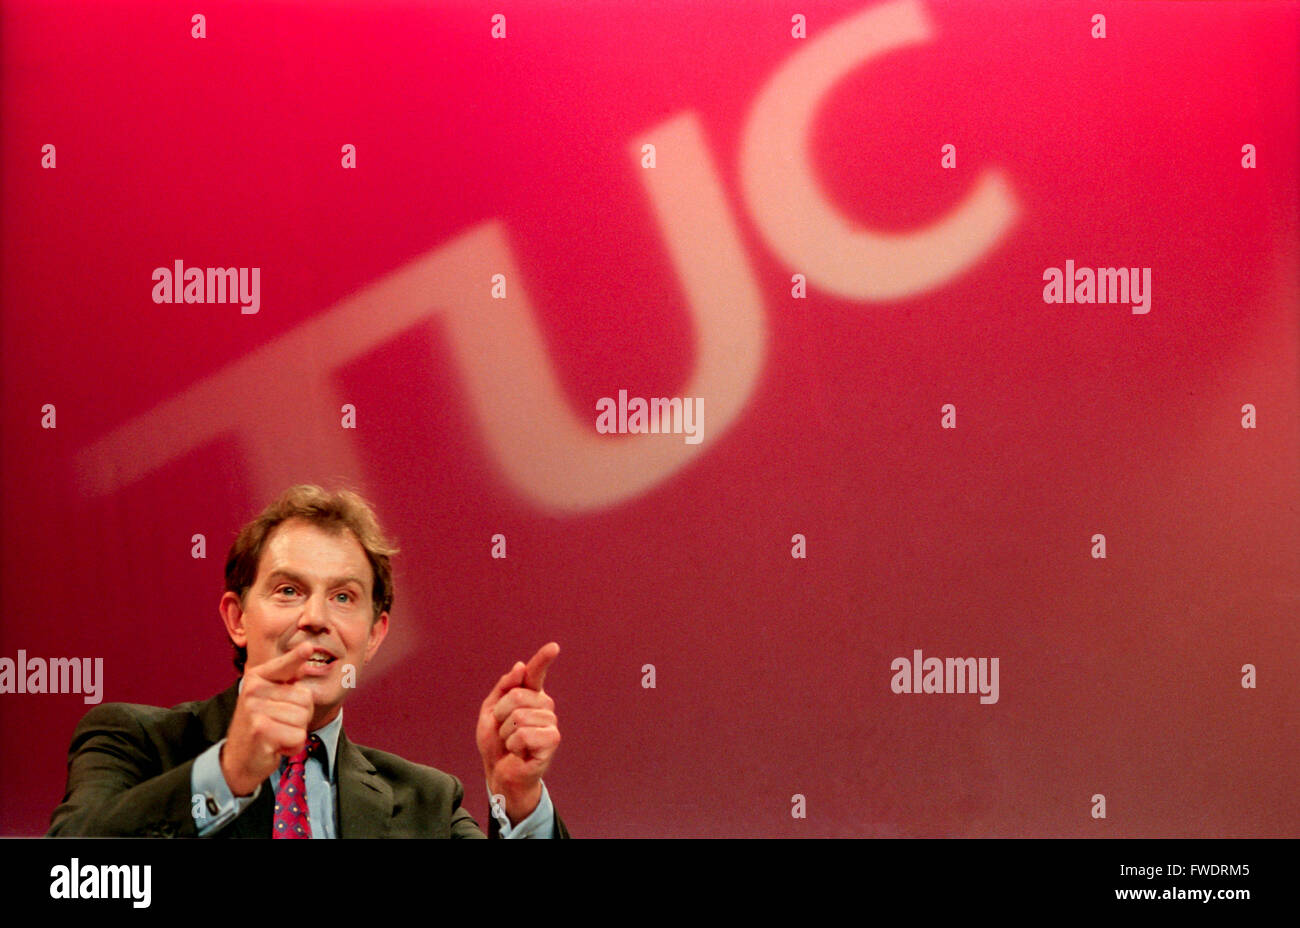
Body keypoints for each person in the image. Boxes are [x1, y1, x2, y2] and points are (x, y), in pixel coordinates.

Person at [48, 484, 567, 838]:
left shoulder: (426, 800)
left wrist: (517, 799)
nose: (316, 618)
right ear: (237, 618)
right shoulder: (134, 742)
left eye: (343, 597)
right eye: (289, 590)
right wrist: (227, 775)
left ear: (374, 635)